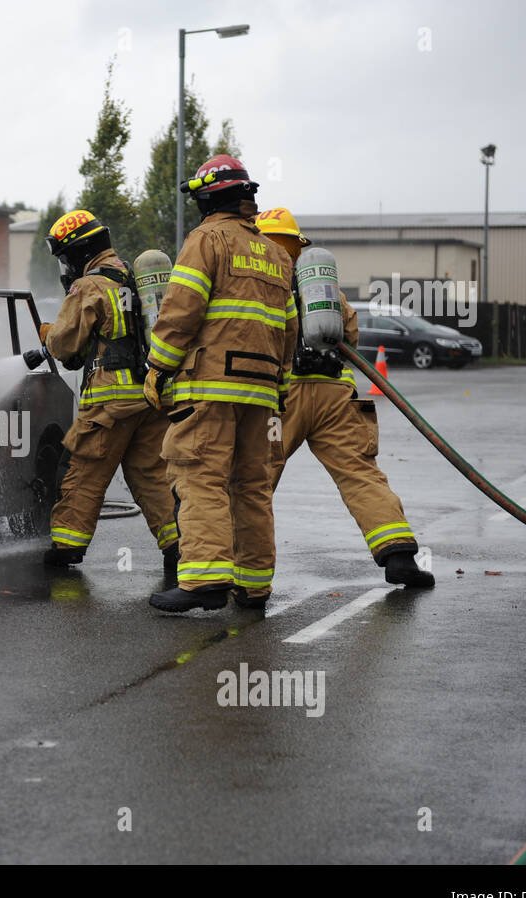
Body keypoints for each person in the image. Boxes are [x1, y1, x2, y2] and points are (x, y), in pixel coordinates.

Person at [253, 207, 434, 596]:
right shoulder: (320, 285)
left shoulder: (258, 281)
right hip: (335, 391)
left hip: (283, 395)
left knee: (257, 477)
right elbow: (349, 332)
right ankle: (399, 555)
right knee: (359, 472)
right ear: (296, 246)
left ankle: (237, 570)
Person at [144, 156, 297, 612]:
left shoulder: (207, 239)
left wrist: (158, 367)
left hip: (210, 385)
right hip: (261, 390)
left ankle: (205, 579)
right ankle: (253, 585)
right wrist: (280, 386)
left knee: (200, 477)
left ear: (209, 197)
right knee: (251, 484)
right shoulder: (275, 253)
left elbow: (180, 310)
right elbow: (289, 329)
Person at [38, 209, 179, 572]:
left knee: (83, 470)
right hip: (148, 398)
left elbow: (64, 344)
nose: (66, 266)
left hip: (109, 404)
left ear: (82, 251)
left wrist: (46, 333)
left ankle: (66, 546)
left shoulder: (89, 286)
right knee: (151, 475)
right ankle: (177, 547)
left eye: (67, 257)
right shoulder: (132, 277)